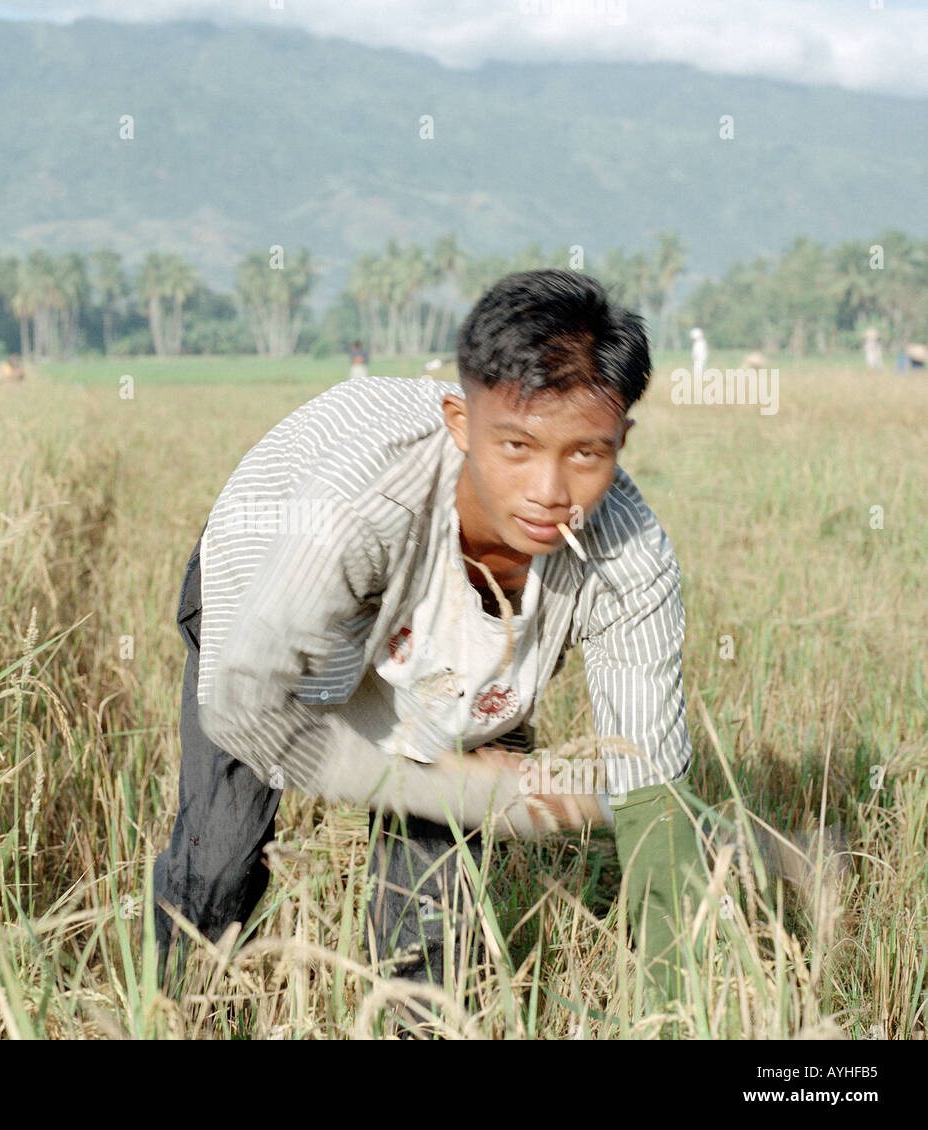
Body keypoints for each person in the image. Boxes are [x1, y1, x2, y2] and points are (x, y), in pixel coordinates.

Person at [153, 270, 708, 1006]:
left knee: (431, 916)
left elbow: (653, 796)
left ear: (620, 440)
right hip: (273, 589)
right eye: (515, 445)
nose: (548, 490)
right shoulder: (354, 508)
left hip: (446, 662)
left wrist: (678, 1007)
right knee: (217, 860)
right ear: (460, 422)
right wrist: (445, 787)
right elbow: (247, 710)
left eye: (585, 453)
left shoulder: (628, 559)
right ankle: (164, 1008)